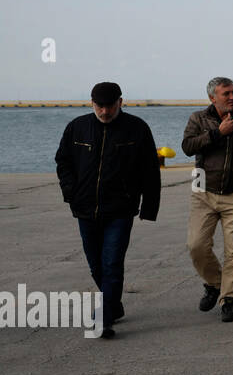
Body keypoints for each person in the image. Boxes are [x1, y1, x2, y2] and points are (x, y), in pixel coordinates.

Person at [55, 82, 161, 339]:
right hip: (84, 209)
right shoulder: (76, 128)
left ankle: (103, 318)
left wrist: (149, 207)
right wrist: (71, 193)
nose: (104, 112)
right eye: (99, 106)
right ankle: (113, 304)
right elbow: (63, 161)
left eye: (109, 106)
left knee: (112, 262)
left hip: (120, 209)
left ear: (120, 102)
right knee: (96, 264)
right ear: (91, 103)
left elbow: (150, 170)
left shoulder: (137, 128)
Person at [182, 77, 233, 322]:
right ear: (213, 98)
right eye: (226, 94)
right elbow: (187, 146)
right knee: (196, 245)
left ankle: (230, 300)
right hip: (203, 191)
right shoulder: (198, 119)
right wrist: (217, 133)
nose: (232, 97)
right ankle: (215, 284)